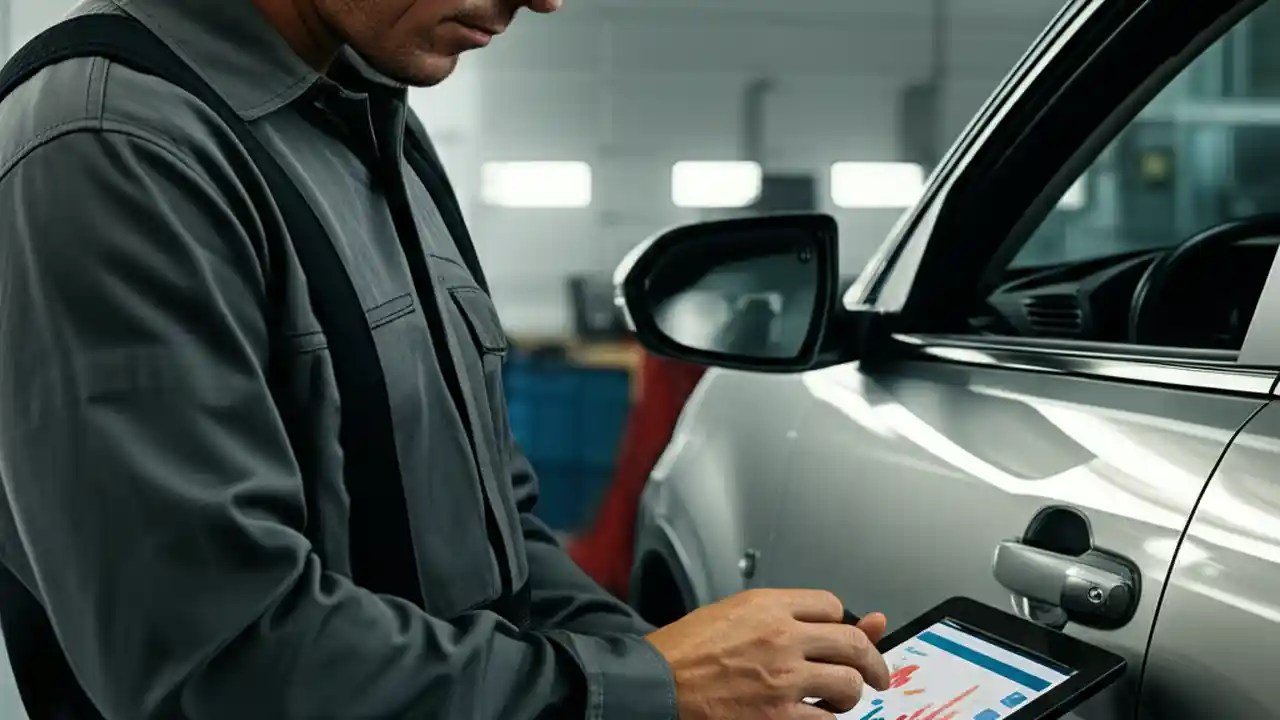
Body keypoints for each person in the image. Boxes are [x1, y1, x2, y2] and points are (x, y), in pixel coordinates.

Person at [0, 0, 890, 718]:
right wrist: (651, 688)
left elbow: (501, 551)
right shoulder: (114, 146)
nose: (544, 2)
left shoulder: (372, 124)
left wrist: (716, 679)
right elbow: (218, 661)